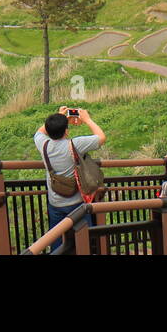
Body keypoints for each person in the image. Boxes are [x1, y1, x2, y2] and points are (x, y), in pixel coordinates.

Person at [35, 106, 105, 252]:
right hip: (77, 204)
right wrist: (87, 119)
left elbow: (40, 132)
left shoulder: (43, 144)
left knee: (56, 239)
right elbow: (101, 137)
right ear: (66, 130)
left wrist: (58, 116)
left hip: (55, 203)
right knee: (85, 238)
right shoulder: (74, 144)